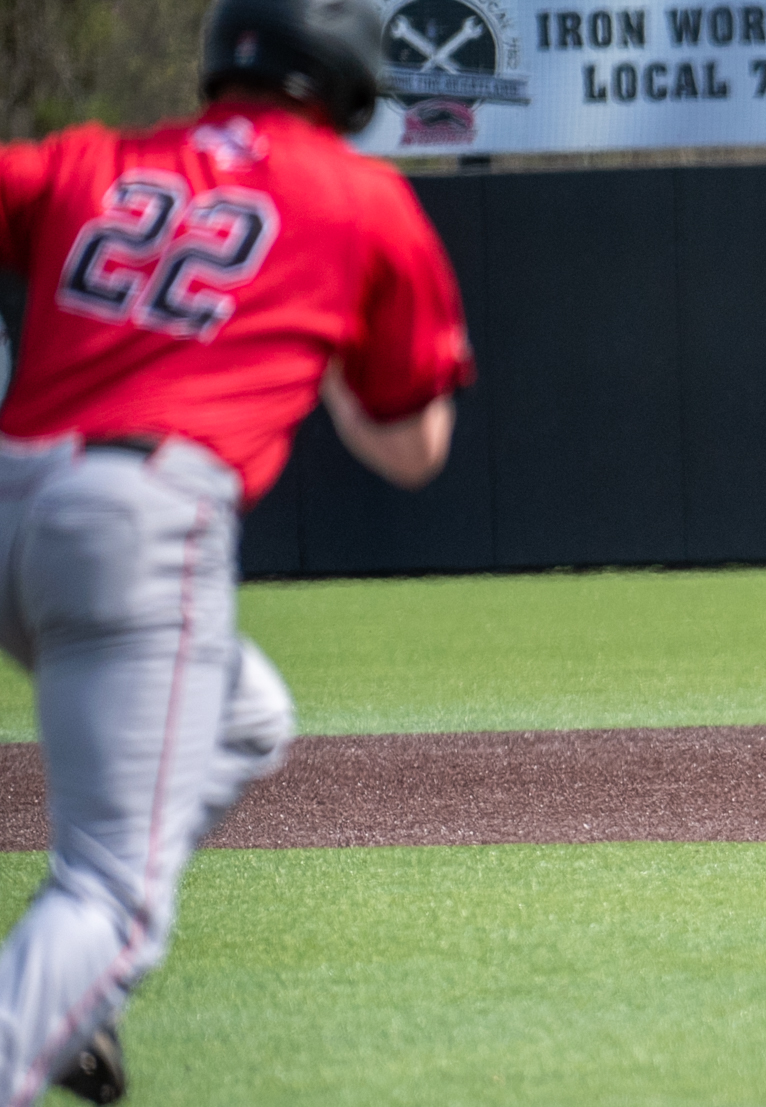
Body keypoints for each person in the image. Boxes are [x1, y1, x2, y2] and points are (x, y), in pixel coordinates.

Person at [0, 0, 473, 1101]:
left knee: (248, 712)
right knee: (114, 905)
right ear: (348, 86)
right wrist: (339, 367)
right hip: (135, 527)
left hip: (15, 504)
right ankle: (57, 987)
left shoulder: (96, 161)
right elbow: (414, 448)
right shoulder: (362, 199)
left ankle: (54, 996)